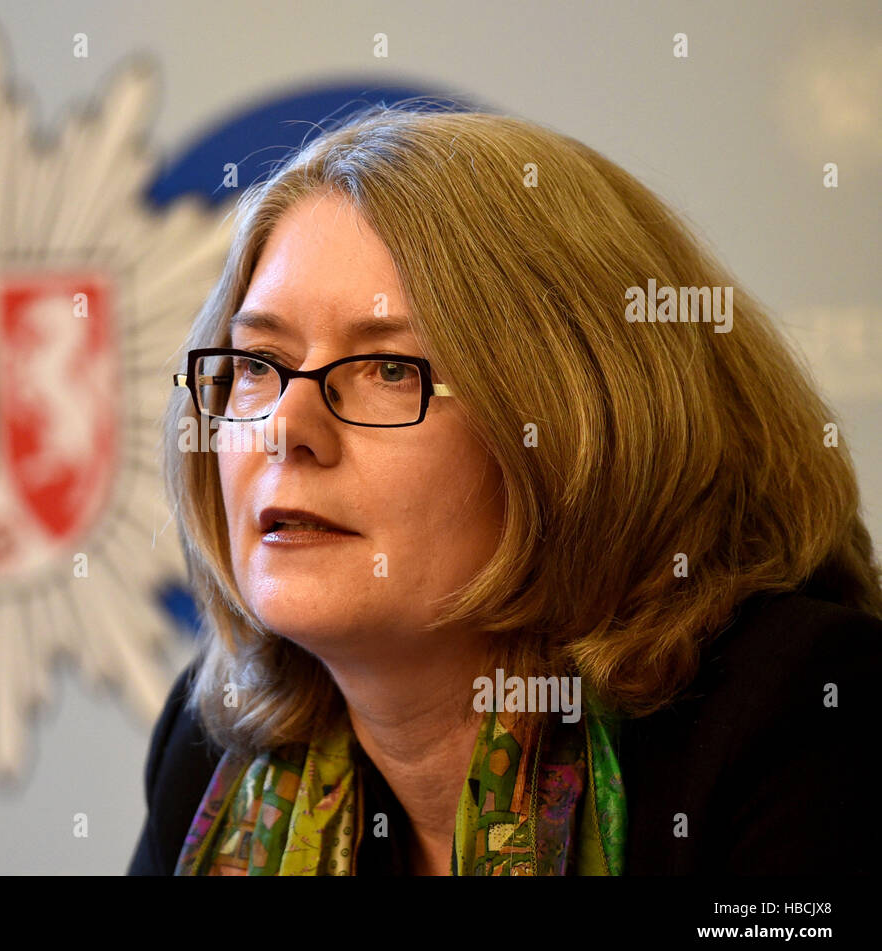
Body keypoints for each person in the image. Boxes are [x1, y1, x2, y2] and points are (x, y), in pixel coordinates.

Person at [128, 107, 882, 876]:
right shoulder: (211, 759)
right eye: (258, 363)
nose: (286, 426)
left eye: (392, 369)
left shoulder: (798, 720)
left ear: (576, 421)